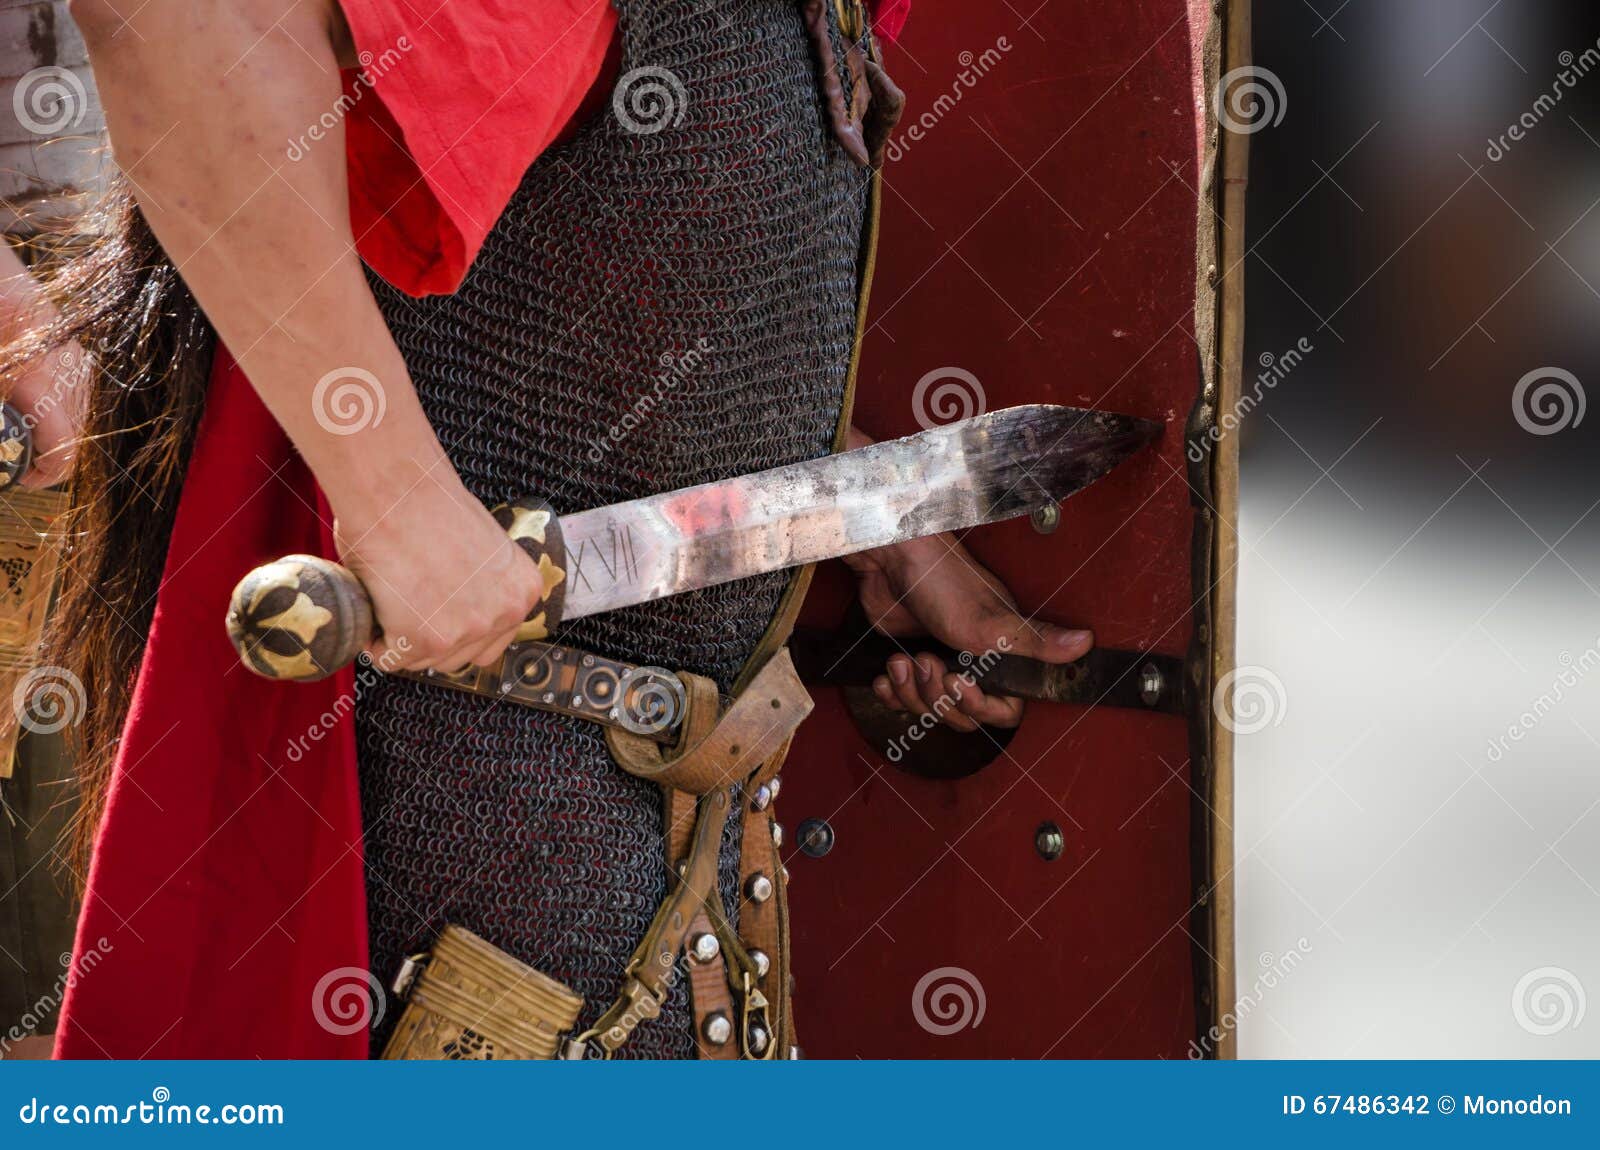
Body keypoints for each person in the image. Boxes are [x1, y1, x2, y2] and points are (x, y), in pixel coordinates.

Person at [9, 0, 1093, 1058]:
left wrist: (868, 522)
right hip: (456, 825)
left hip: (682, 858)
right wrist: (388, 492)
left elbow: (621, 289)